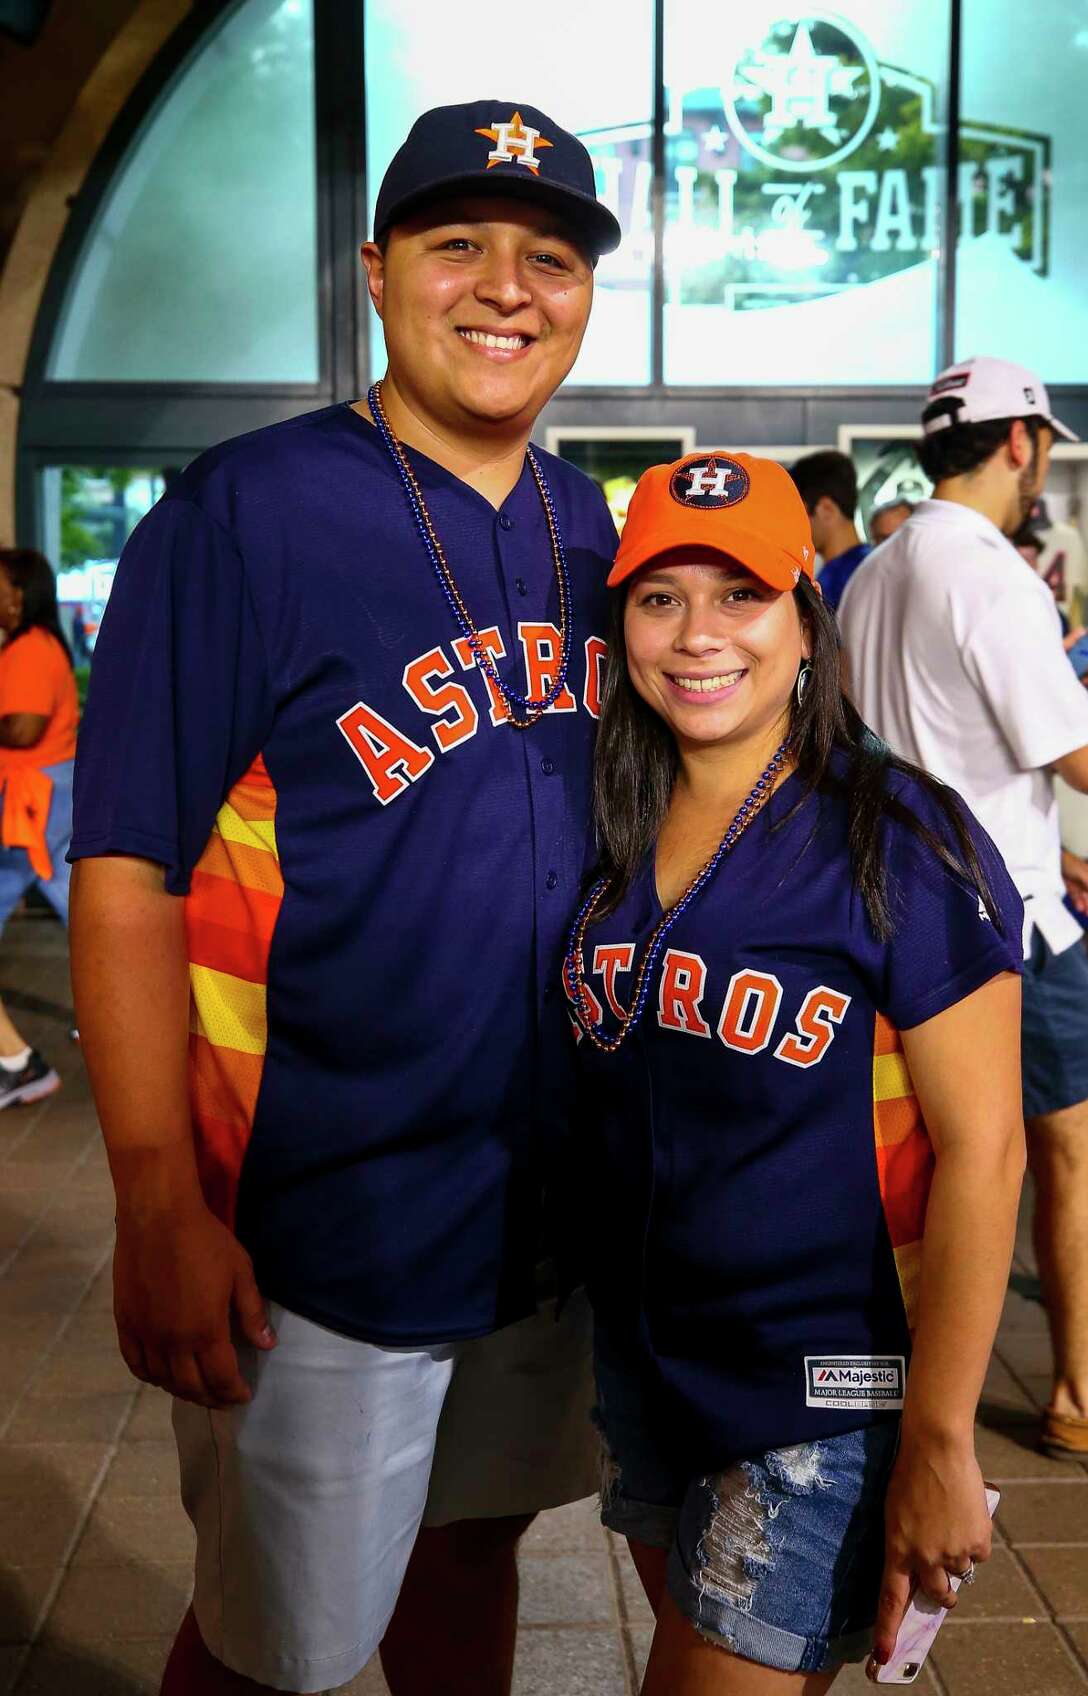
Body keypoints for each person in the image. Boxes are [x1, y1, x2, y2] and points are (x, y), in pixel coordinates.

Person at [68, 100, 622, 1695]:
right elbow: (126, 870)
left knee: (475, 1543)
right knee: (278, 1647)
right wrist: (158, 1202)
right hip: (327, 1215)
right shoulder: (245, 512)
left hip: (544, 1206)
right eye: (459, 246)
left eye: (550, 255)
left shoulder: (595, 530)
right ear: (375, 273)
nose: (508, 287)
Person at [563, 451, 1028, 1691]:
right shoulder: (611, 820)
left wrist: (941, 1438)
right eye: (661, 598)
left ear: (806, 620)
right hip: (653, 1364)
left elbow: (989, 1147)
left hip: (819, 1390)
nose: (699, 633)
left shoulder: (900, 831)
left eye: (741, 594)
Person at [840, 357, 1088, 1462]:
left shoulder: (877, 570)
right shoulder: (994, 577)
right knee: (1074, 1138)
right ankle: (1084, 1392)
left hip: (902, 901)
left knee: (946, 1151)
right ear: (1021, 445)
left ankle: (895, 1382)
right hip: (1007, 919)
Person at [0, 547, 78, 1106]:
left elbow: (24, 729)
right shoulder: (41, 645)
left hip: (29, 802)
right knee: (82, 904)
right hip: (44, 797)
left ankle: (18, 1063)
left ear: (20, 594)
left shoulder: (29, 649)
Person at [788, 450, 871, 611]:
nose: (793, 522)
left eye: (799, 512)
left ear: (826, 509)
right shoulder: (866, 565)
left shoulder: (849, 575)